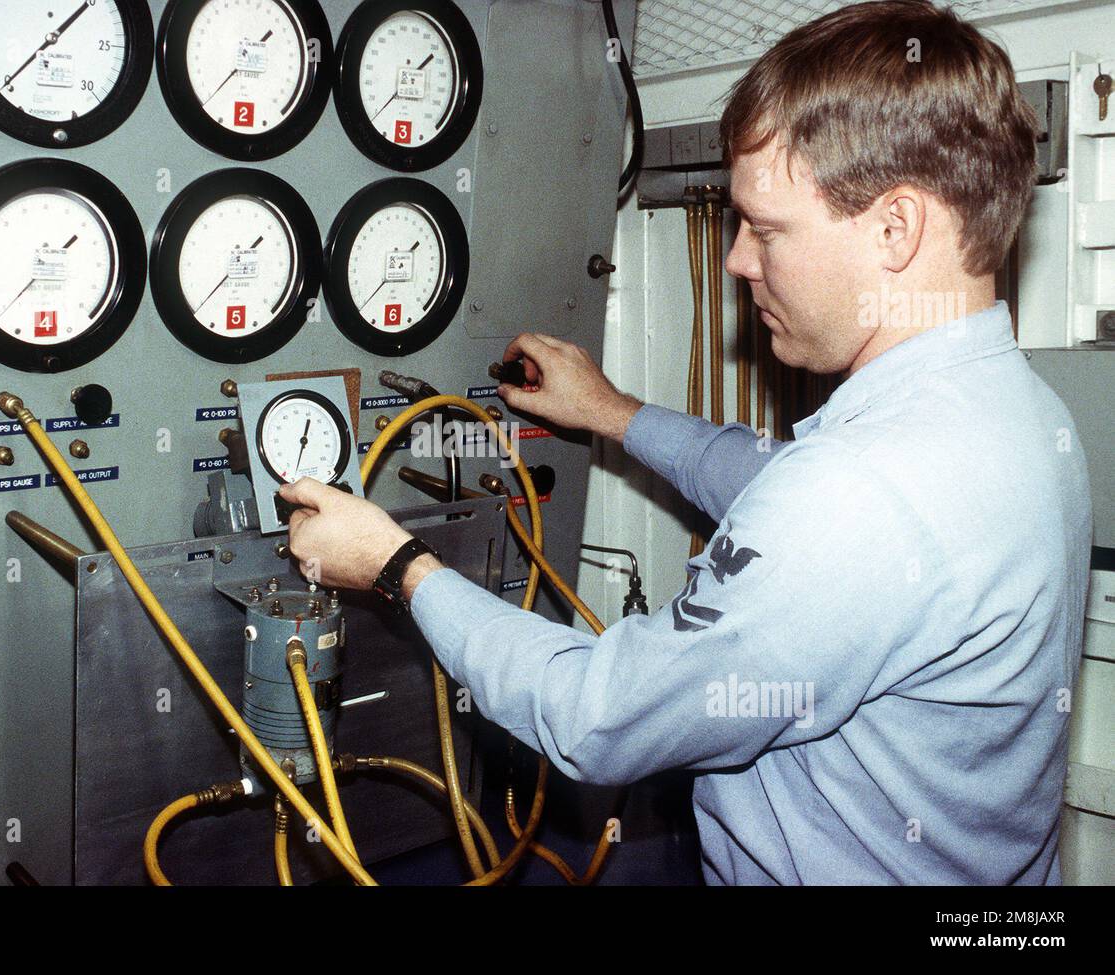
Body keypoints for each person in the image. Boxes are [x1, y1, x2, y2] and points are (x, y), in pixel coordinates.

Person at [280, 0, 1092, 884]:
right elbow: (772, 478)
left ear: (896, 229)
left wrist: (398, 566)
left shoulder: (860, 496)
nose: (740, 259)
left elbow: (597, 717)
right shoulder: (1017, 415)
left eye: (767, 228)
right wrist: (614, 412)